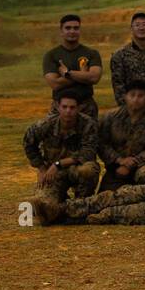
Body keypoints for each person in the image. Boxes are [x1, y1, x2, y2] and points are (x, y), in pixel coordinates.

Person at [24, 89, 100, 223]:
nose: (68, 111)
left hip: (76, 168)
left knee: (88, 170)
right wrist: (41, 168)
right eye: (64, 107)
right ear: (57, 107)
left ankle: (81, 202)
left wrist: (58, 164)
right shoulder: (46, 125)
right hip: (52, 174)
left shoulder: (88, 124)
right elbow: (28, 142)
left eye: (72, 107)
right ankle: (60, 204)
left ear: (79, 108)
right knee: (41, 204)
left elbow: (88, 152)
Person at [98, 79, 145, 191]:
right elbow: (102, 144)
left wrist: (131, 163)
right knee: (106, 197)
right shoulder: (110, 117)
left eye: (140, 96)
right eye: (132, 95)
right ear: (125, 97)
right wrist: (120, 160)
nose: (136, 99)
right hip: (117, 167)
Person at [42, 14, 102, 119]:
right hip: (60, 107)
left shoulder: (91, 53)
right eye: (68, 28)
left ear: (80, 30)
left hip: (86, 106)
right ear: (61, 31)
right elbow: (55, 84)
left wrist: (67, 73)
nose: (72, 31)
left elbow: (94, 77)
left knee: (90, 134)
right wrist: (83, 74)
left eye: (76, 28)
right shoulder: (51, 55)